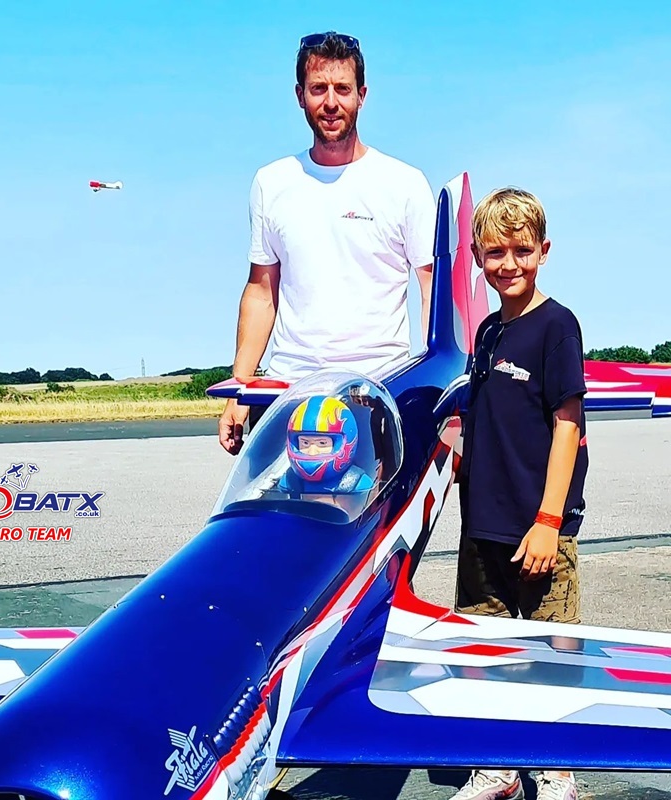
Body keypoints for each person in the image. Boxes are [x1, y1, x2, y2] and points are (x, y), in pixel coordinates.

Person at [219, 31, 437, 455]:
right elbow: (262, 291)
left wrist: (430, 389)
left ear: (362, 95)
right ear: (300, 95)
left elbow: (430, 287)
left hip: (376, 393)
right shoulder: (272, 182)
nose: (331, 102)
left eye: (343, 89)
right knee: (280, 520)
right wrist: (239, 392)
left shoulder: (404, 184)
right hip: (288, 392)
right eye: (319, 89)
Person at [451, 188, 589, 800]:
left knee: (550, 653)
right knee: (487, 647)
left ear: (545, 251)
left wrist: (549, 521)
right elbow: (489, 414)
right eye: (496, 252)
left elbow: (567, 426)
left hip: (539, 528)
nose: (509, 264)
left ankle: (556, 769)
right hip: (484, 525)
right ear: (478, 255)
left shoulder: (556, 327)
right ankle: (499, 764)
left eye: (522, 250)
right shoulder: (485, 332)